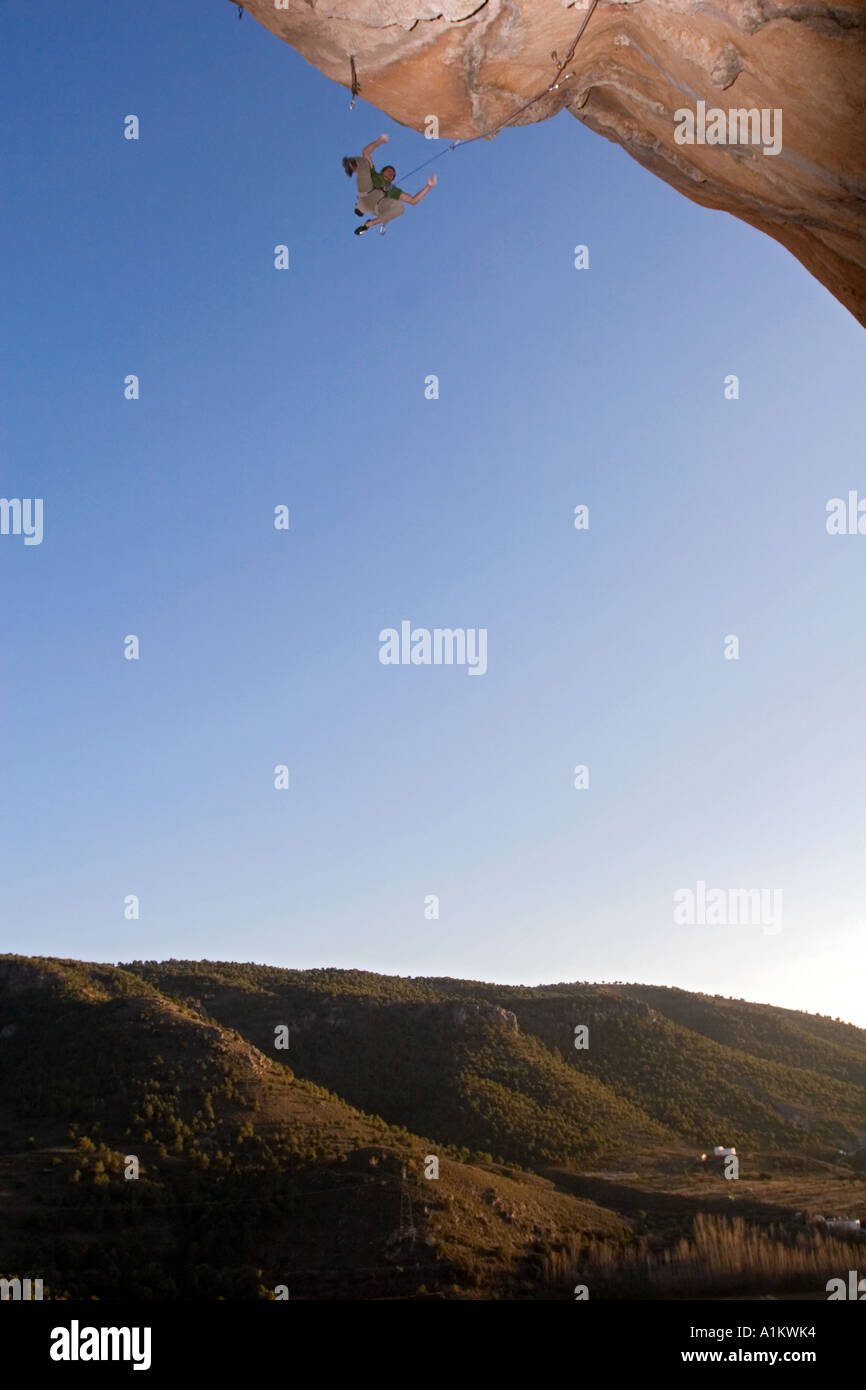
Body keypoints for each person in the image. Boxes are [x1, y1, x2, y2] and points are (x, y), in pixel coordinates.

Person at [342, 134, 436, 235]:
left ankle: (369, 224)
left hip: (376, 205)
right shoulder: (374, 173)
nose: (390, 173)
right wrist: (379, 141)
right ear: (382, 171)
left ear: (393, 179)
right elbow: (366, 152)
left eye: (393, 174)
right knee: (365, 163)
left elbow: (413, 201)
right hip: (366, 191)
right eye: (388, 171)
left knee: (400, 208)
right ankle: (350, 165)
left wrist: (428, 186)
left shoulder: (393, 189)